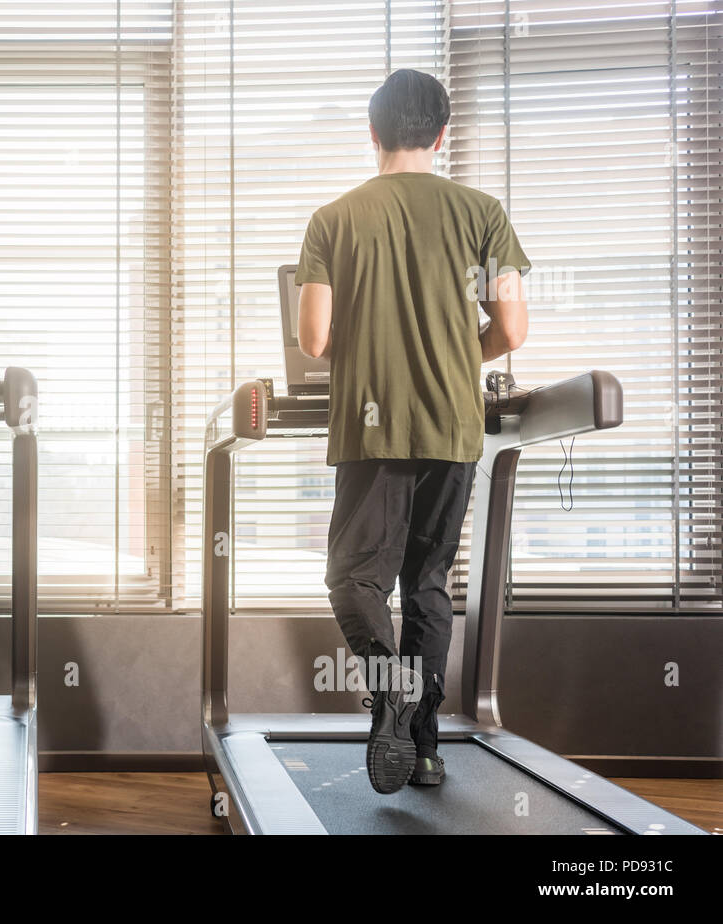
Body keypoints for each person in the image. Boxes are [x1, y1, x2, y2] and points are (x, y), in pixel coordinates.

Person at [295, 69, 530, 795]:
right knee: (427, 583)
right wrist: (462, 352)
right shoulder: (482, 212)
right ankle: (424, 747)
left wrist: (369, 351)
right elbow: (513, 329)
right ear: (441, 134)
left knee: (352, 576)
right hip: (451, 426)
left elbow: (313, 338)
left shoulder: (334, 218)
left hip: (372, 428)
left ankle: (389, 698)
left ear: (373, 133)